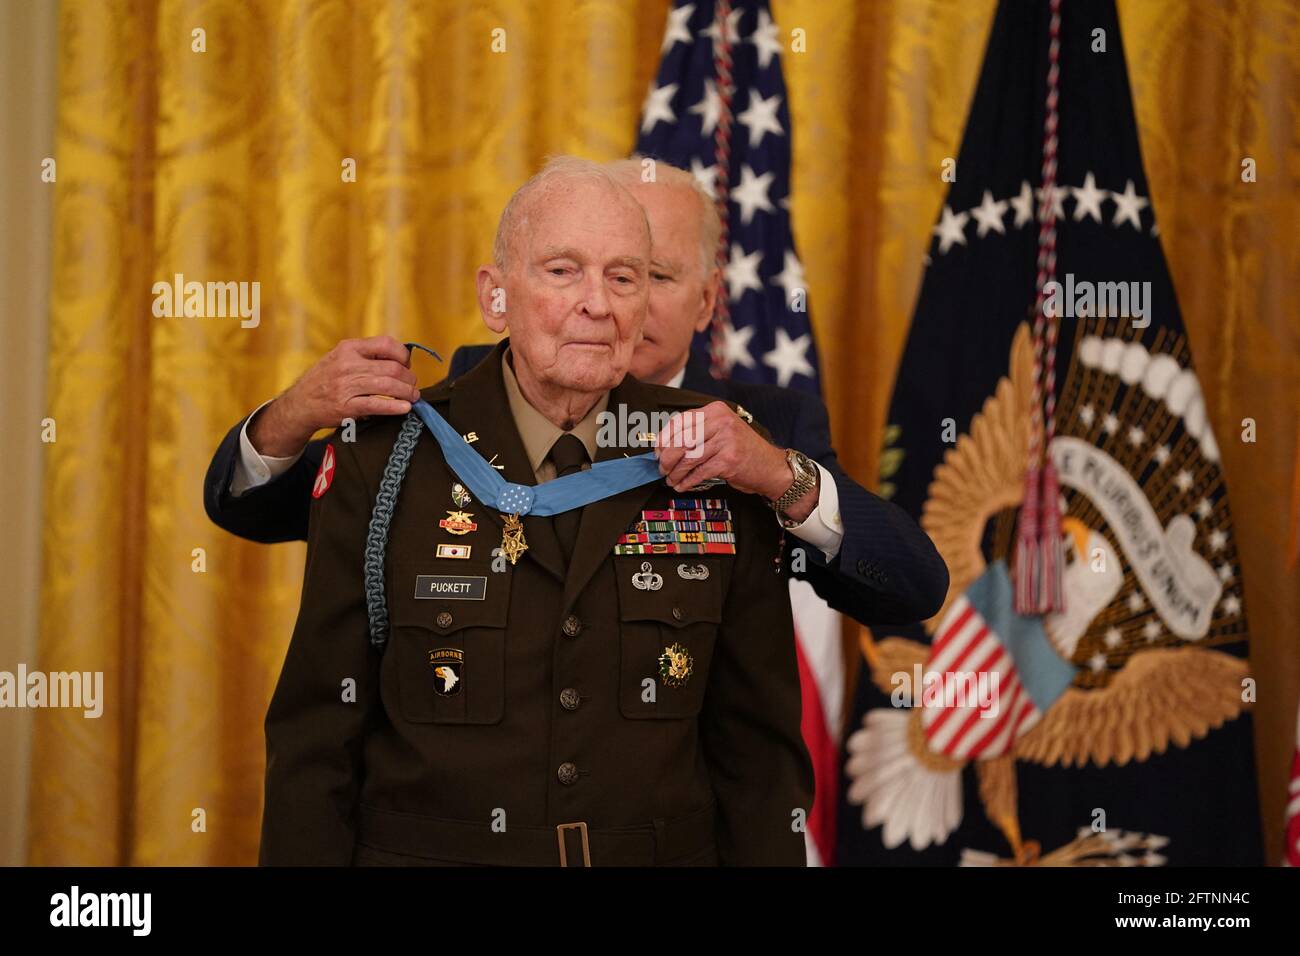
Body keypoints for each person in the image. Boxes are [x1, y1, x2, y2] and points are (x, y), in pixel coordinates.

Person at [259, 157, 813, 865]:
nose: (598, 304)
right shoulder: (386, 456)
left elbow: (758, 759)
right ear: (496, 298)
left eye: (624, 277)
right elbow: (315, 743)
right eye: (562, 271)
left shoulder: (715, 456)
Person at [203, 160, 948, 626]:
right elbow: (264, 513)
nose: (612, 303)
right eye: (578, 270)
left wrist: (781, 478)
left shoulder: (768, 426)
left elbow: (910, 590)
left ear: (705, 301)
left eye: (649, 277)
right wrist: (293, 415)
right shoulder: (463, 394)